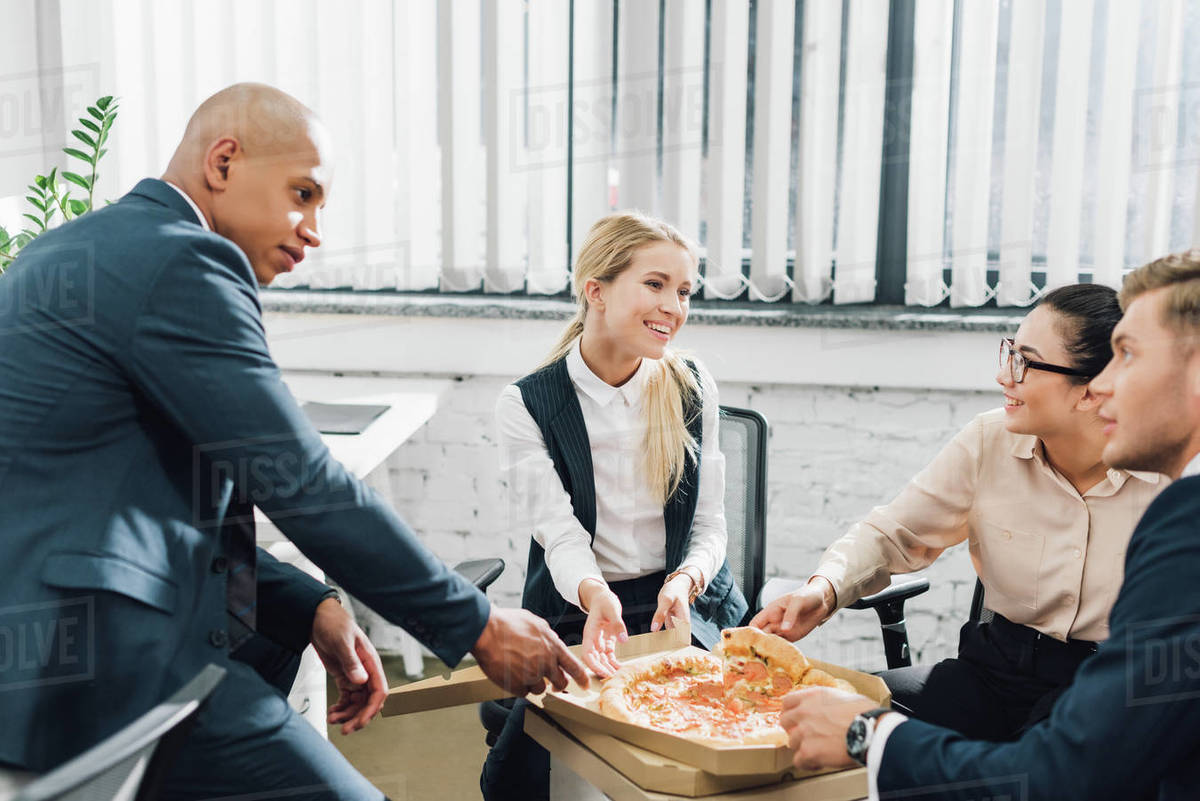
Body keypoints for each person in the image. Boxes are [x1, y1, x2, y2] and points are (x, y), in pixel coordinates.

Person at [0, 83, 587, 801]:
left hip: (40, 644)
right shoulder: (183, 261)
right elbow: (302, 480)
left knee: (276, 648)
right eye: (302, 194)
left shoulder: (68, 252)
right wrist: (479, 625)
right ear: (223, 162)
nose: (313, 229)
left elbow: (130, 504)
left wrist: (313, 605)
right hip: (111, 669)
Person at [780, 252, 1200, 801]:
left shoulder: (1181, 515)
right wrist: (827, 587)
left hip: (1090, 688)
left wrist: (867, 734)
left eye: (1128, 356)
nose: (1106, 386)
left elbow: (1060, 775)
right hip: (994, 670)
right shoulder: (990, 440)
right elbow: (895, 531)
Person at [480, 211, 749, 800]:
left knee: (704, 749)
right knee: (517, 777)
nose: (674, 308)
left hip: (683, 601)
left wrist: (687, 580)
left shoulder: (691, 384)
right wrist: (596, 593)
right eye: (655, 285)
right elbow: (560, 534)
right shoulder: (526, 403)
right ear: (595, 291)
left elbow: (709, 524)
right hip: (582, 604)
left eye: (683, 292)